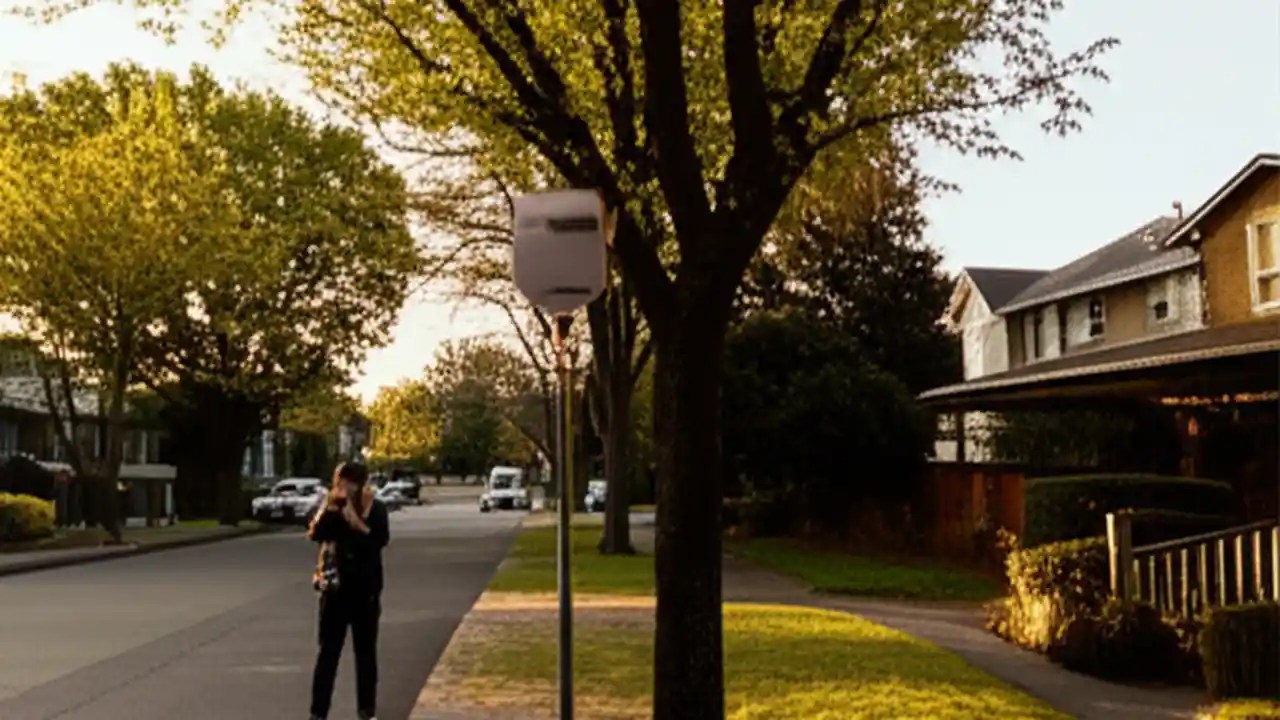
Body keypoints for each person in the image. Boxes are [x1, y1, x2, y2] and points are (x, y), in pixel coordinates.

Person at [307, 462, 390, 720]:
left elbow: (379, 540)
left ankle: (366, 710)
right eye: (340, 481)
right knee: (328, 653)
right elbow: (316, 534)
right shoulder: (331, 507)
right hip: (335, 590)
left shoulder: (375, 508)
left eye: (350, 482)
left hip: (365, 592)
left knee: (365, 654)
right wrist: (331, 510)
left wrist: (358, 524)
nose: (345, 487)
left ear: (361, 483)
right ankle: (318, 712)